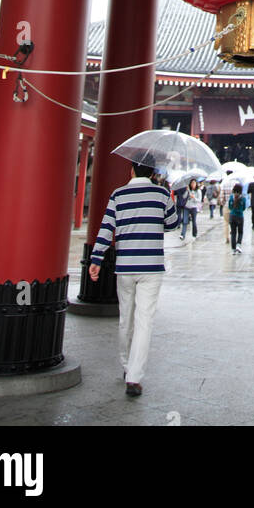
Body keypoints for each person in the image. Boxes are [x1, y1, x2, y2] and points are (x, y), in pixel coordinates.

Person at [88, 162, 179, 397]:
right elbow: (173, 224)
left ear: (131, 171)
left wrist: (96, 259)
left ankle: (127, 366)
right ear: (152, 173)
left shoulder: (118, 195)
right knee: (144, 322)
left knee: (125, 319)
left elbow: (106, 229)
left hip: (125, 267)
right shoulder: (161, 193)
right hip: (151, 268)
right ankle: (135, 378)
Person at [228, 183, 246, 253]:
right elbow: (244, 208)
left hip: (232, 216)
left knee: (233, 233)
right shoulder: (243, 198)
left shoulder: (231, 197)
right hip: (240, 217)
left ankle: (233, 249)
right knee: (240, 232)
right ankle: (238, 245)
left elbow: (229, 207)